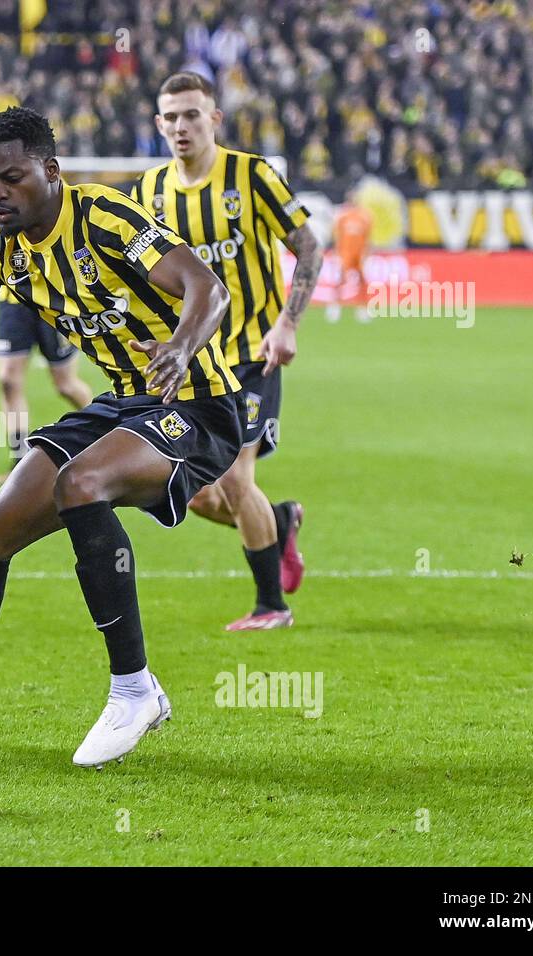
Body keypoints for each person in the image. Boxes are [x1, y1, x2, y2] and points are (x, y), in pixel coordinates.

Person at [0, 107, 241, 768]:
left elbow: (208, 288)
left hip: (198, 402)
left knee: (81, 483)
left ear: (51, 172)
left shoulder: (105, 220)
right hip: (125, 401)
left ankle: (134, 690)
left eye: (12, 178)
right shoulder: (0, 247)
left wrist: (179, 346)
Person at [132, 72, 324, 630]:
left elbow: (308, 246)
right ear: (158, 125)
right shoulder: (148, 194)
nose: (181, 126)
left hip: (253, 353)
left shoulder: (253, 175)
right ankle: (282, 523)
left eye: (192, 114)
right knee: (199, 497)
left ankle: (272, 607)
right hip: (194, 361)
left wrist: (288, 324)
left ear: (214, 118)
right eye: (171, 117)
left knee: (237, 482)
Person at [0, 189, 92, 483]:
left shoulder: (34, 182)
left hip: (50, 297)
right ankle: (18, 461)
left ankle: (112, 434)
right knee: (8, 380)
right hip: (11, 297)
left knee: (65, 384)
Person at [327, 187, 374, 322]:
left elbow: (368, 238)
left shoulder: (365, 216)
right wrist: (337, 253)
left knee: (362, 281)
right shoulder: (342, 216)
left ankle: (362, 309)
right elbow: (337, 236)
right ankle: (335, 307)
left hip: (359, 253)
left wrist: (367, 253)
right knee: (341, 280)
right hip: (345, 253)